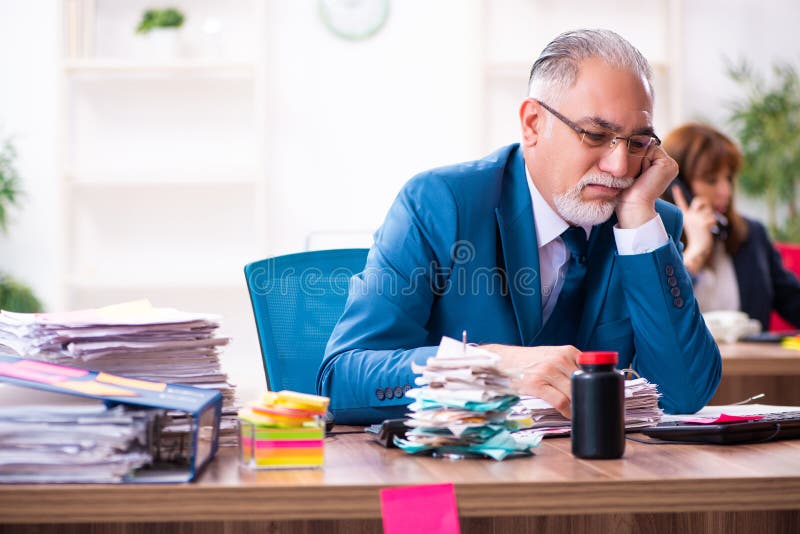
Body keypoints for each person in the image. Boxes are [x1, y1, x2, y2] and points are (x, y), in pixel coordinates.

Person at [317, 29, 721, 425]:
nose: (619, 167)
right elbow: (342, 377)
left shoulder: (645, 223)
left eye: (636, 143)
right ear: (532, 124)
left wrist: (638, 223)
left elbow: (683, 394)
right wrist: (490, 366)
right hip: (454, 472)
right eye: (596, 135)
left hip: (588, 478)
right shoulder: (439, 203)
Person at [662, 123, 800, 330]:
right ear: (675, 185)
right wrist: (696, 251)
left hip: (748, 362)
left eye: (728, 178)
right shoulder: (651, 240)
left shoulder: (752, 235)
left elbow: (793, 301)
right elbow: (657, 313)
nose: (725, 191)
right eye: (711, 180)